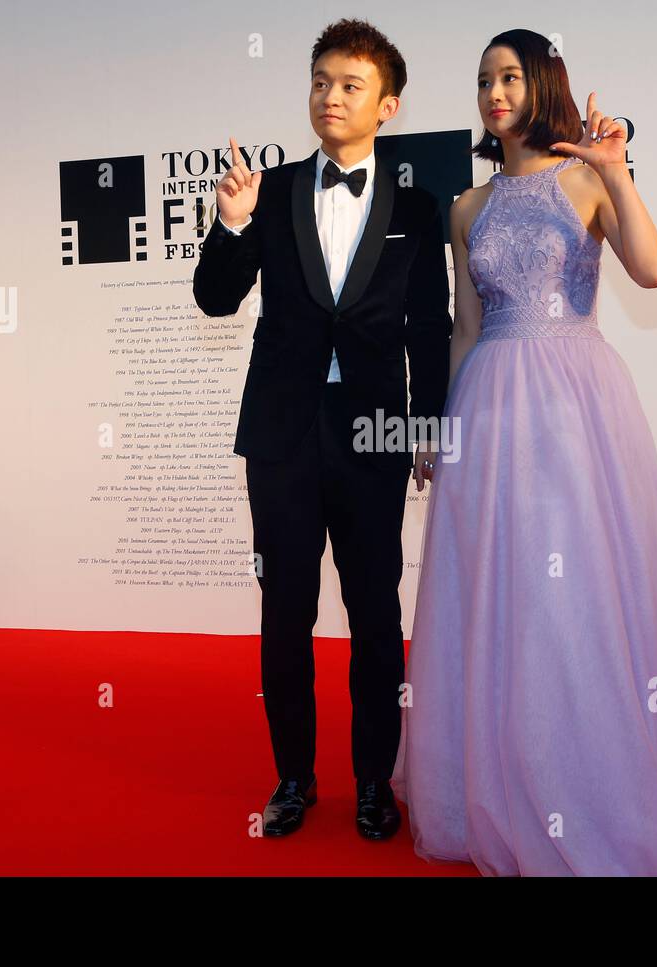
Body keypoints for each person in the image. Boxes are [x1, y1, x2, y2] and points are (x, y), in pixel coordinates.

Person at [390, 28, 657, 875]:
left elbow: (653, 271)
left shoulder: (586, 180)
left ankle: (593, 772)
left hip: (574, 401)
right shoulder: (466, 208)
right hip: (489, 401)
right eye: (485, 78)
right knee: (500, 588)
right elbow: (464, 329)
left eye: (512, 75)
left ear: (545, 83)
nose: (495, 91)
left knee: (577, 587)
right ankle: (501, 770)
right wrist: (442, 427)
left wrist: (617, 174)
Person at [193, 19, 451, 840]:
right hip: (282, 431)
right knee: (285, 610)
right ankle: (294, 779)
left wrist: (428, 424)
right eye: (320, 82)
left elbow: (430, 327)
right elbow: (214, 300)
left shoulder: (417, 205)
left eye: (349, 85)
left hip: (374, 430)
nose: (330, 97)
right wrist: (232, 225)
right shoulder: (264, 194)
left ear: (388, 104)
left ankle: (375, 781)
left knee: (376, 612)